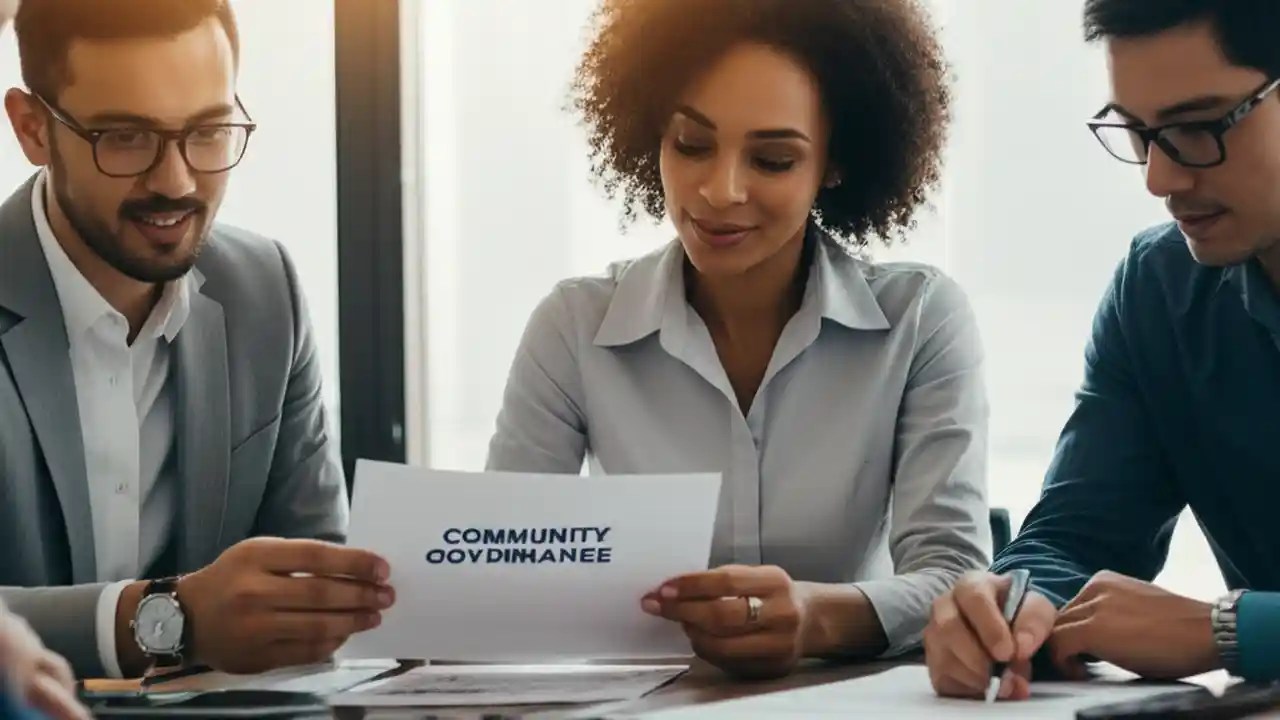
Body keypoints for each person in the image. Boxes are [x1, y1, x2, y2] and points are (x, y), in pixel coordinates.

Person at [487, 0, 990, 679]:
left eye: (773, 159)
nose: (721, 191)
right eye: (691, 145)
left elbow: (956, 577)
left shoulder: (920, 320)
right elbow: (500, 568)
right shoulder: (574, 327)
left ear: (835, 163)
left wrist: (815, 618)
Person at [0, 0, 395, 682]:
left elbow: (310, 582)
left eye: (209, 132)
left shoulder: (263, 289)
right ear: (33, 129)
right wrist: (166, 619)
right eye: (126, 137)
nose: (175, 181)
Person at [923, 0, 1280, 701]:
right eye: (1139, 133)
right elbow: (1075, 537)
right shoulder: (1159, 291)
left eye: (1199, 127)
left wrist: (1234, 629)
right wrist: (1010, 606)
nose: (1159, 179)